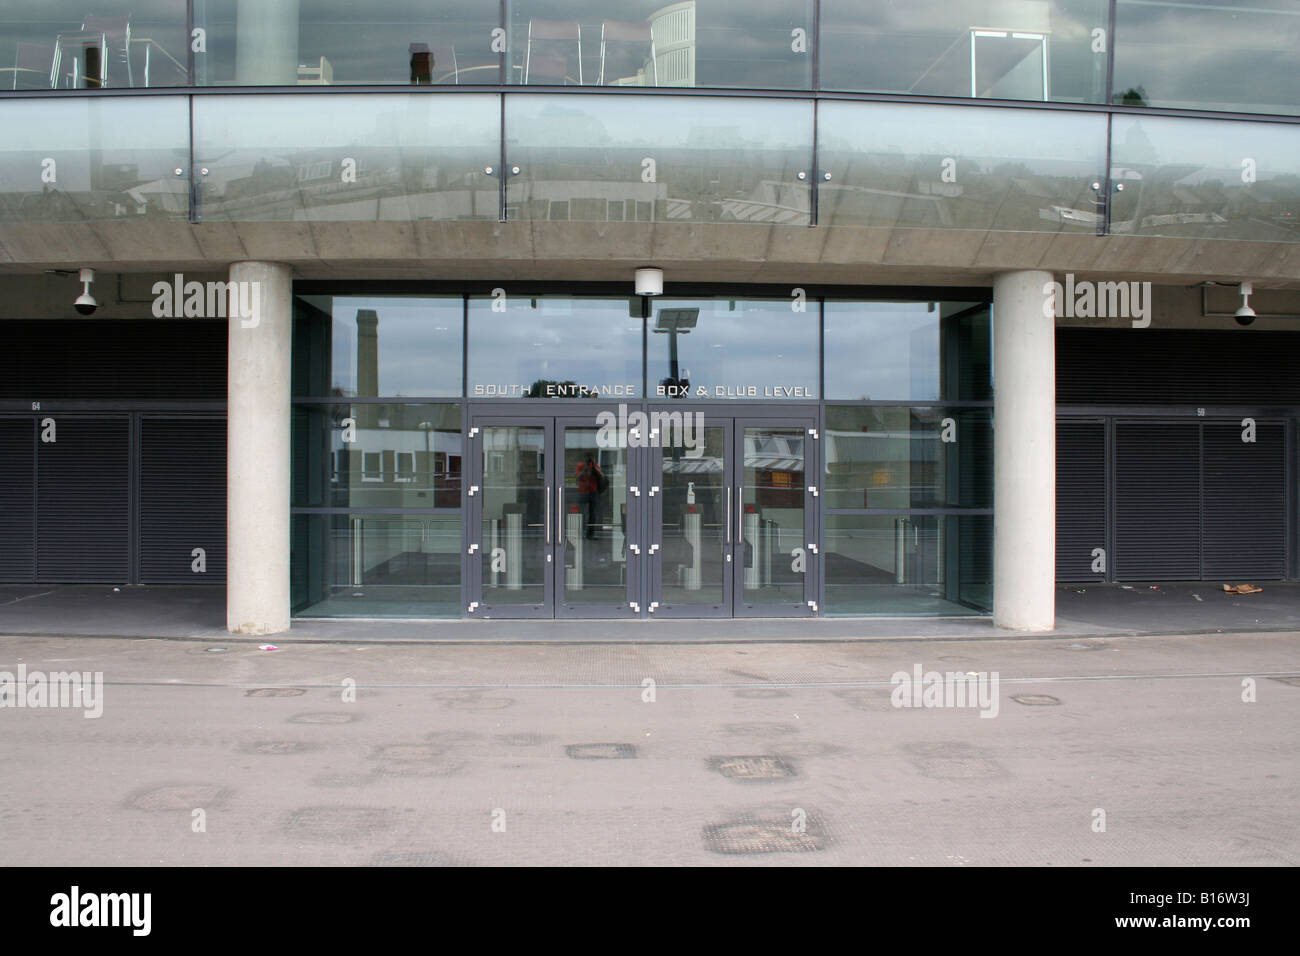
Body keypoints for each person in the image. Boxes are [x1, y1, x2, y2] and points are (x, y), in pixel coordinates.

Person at [576, 454, 603, 540]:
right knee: (581, 513)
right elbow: (577, 477)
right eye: (588, 460)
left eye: (590, 460)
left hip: (593, 492)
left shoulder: (595, 466)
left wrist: (594, 467)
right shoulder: (581, 466)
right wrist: (585, 469)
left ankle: (590, 534)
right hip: (583, 491)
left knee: (593, 514)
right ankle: (580, 533)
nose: (588, 462)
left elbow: (602, 476)